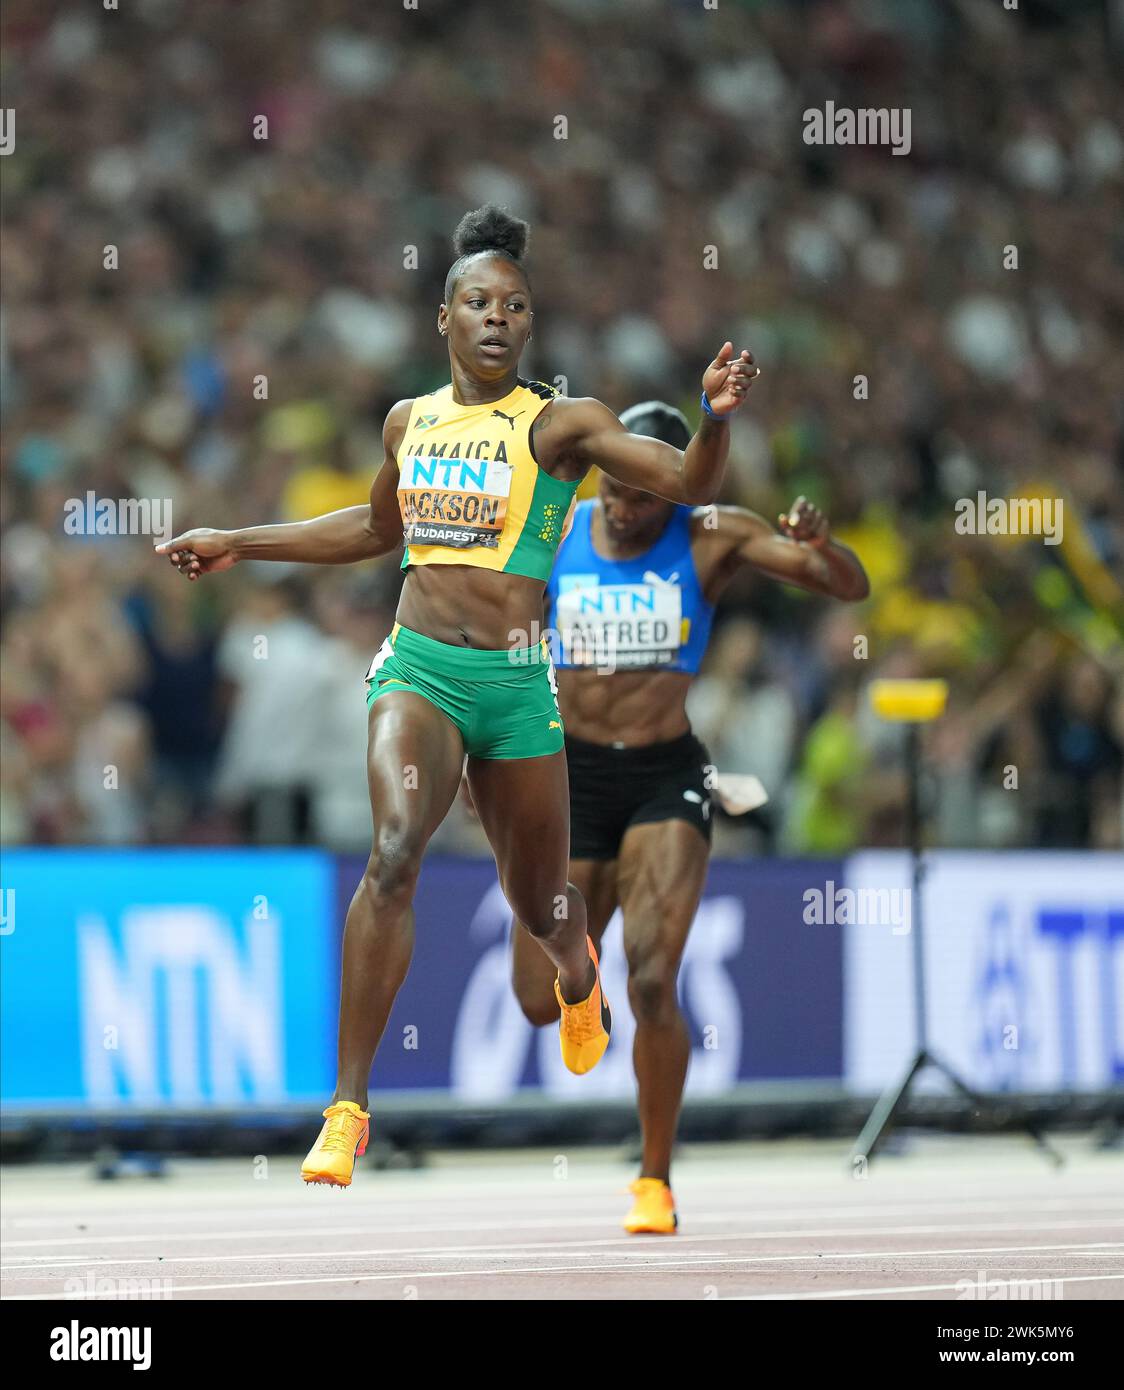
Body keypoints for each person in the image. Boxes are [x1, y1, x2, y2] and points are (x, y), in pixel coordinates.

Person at [155, 206, 761, 1187]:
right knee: (392, 854)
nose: (495, 318)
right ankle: (348, 1108)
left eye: (513, 307)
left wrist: (719, 418)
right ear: (443, 318)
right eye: (477, 302)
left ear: (529, 326)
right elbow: (370, 527)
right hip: (420, 668)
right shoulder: (410, 420)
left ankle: (575, 971)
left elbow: (688, 480)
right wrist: (240, 539)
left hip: (519, 687)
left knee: (538, 901)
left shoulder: (562, 425)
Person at [510, 400, 869, 1232]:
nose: (630, 508)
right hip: (567, 779)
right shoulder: (558, 530)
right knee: (536, 1002)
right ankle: (578, 991)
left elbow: (850, 585)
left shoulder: (713, 534)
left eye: (648, 495)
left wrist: (822, 550)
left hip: (667, 775)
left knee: (655, 978)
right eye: (618, 488)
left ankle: (654, 1179)